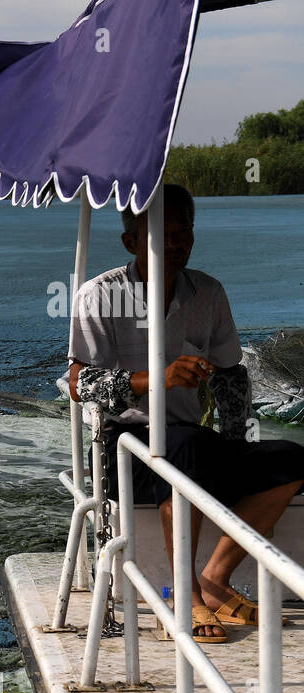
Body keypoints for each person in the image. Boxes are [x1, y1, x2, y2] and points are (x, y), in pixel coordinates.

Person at [67, 183, 304, 642]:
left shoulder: (207, 294)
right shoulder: (98, 296)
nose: (175, 242)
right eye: (162, 233)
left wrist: (236, 445)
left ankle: (215, 578)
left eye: (184, 232)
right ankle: (183, 595)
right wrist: (156, 378)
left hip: (189, 443)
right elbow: (82, 384)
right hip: (125, 448)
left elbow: (230, 375)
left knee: (291, 461)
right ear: (131, 242)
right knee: (187, 446)